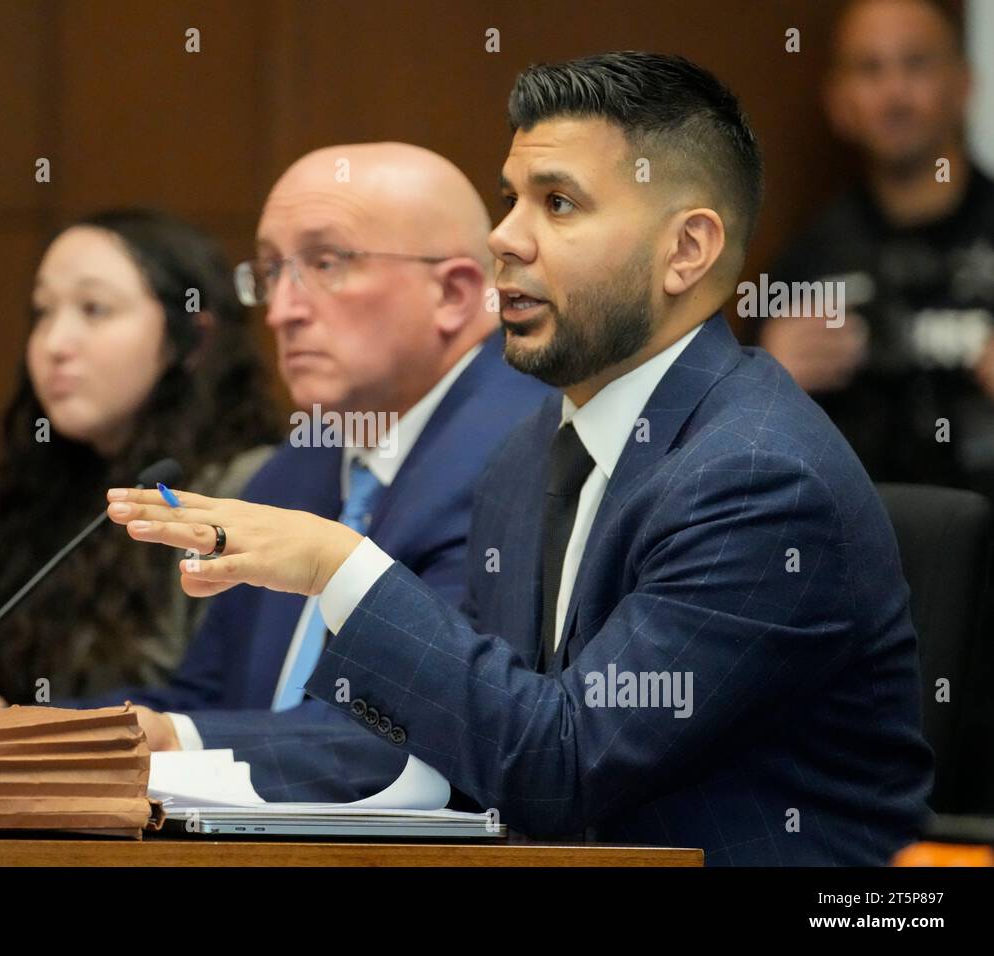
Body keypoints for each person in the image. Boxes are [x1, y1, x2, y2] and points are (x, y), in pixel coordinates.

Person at [107, 54, 935, 865]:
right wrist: (150, 753)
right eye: (511, 200)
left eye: (560, 203)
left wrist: (339, 566)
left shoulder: (757, 477)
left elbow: (561, 766)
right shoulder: (531, 452)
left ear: (686, 251)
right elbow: (451, 737)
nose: (505, 238)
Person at [75, 143, 552, 802]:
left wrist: (178, 740)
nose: (281, 310)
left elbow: (406, 737)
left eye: (327, 263)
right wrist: (12, 730)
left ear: (454, 292)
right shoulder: (298, 467)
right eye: (271, 271)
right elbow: (206, 698)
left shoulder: (523, 456)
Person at [0, 209, 279, 718]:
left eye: (95, 309)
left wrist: (15, 724)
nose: (55, 344)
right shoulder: (50, 494)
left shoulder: (242, 490)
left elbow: (226, 716)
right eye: (42, 312)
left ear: (193, 339)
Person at [760, 0, 994, 500]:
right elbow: (745, 449)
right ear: (839, 103)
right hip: (862, 555)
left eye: (916, 63)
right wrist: (767, 382)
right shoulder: (807, 263)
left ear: (965, 84)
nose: (894, 93)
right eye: (870, 69)